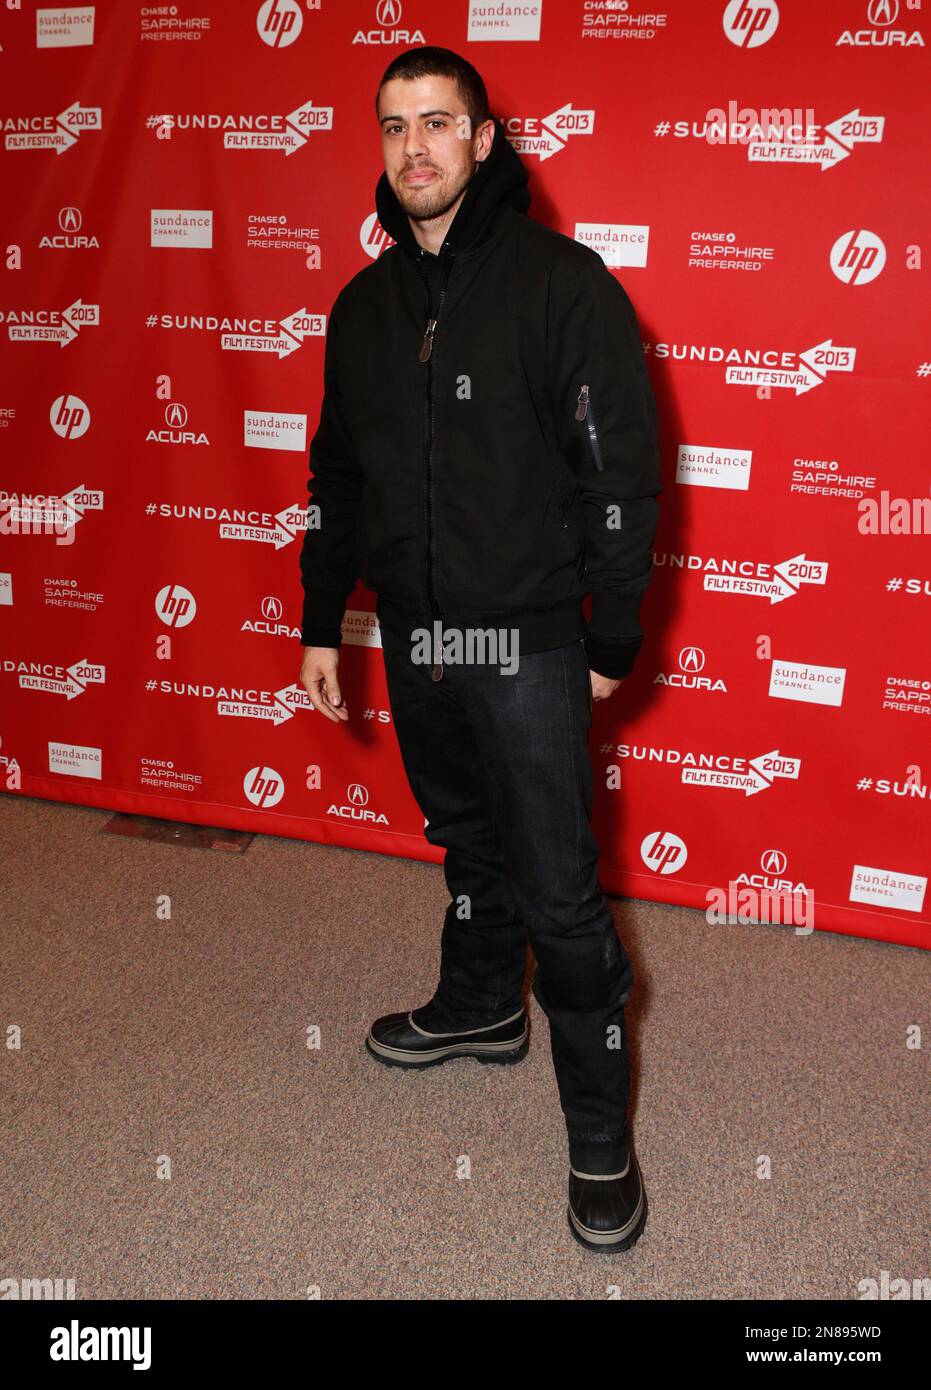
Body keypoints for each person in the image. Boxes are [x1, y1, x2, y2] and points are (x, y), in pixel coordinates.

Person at [298, 46, 661, 1253]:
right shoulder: (363, 307)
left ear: (484, 139)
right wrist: (320, 617)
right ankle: (477, 1005)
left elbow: (617, 472)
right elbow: (337, 475)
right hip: (418, 631)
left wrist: (611, 630)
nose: (415, 147)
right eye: (395, 125)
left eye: (439, 122)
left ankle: (599, 1133)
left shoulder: (563, 285)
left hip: (528, 638)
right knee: (464, 837)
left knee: (561, 890)